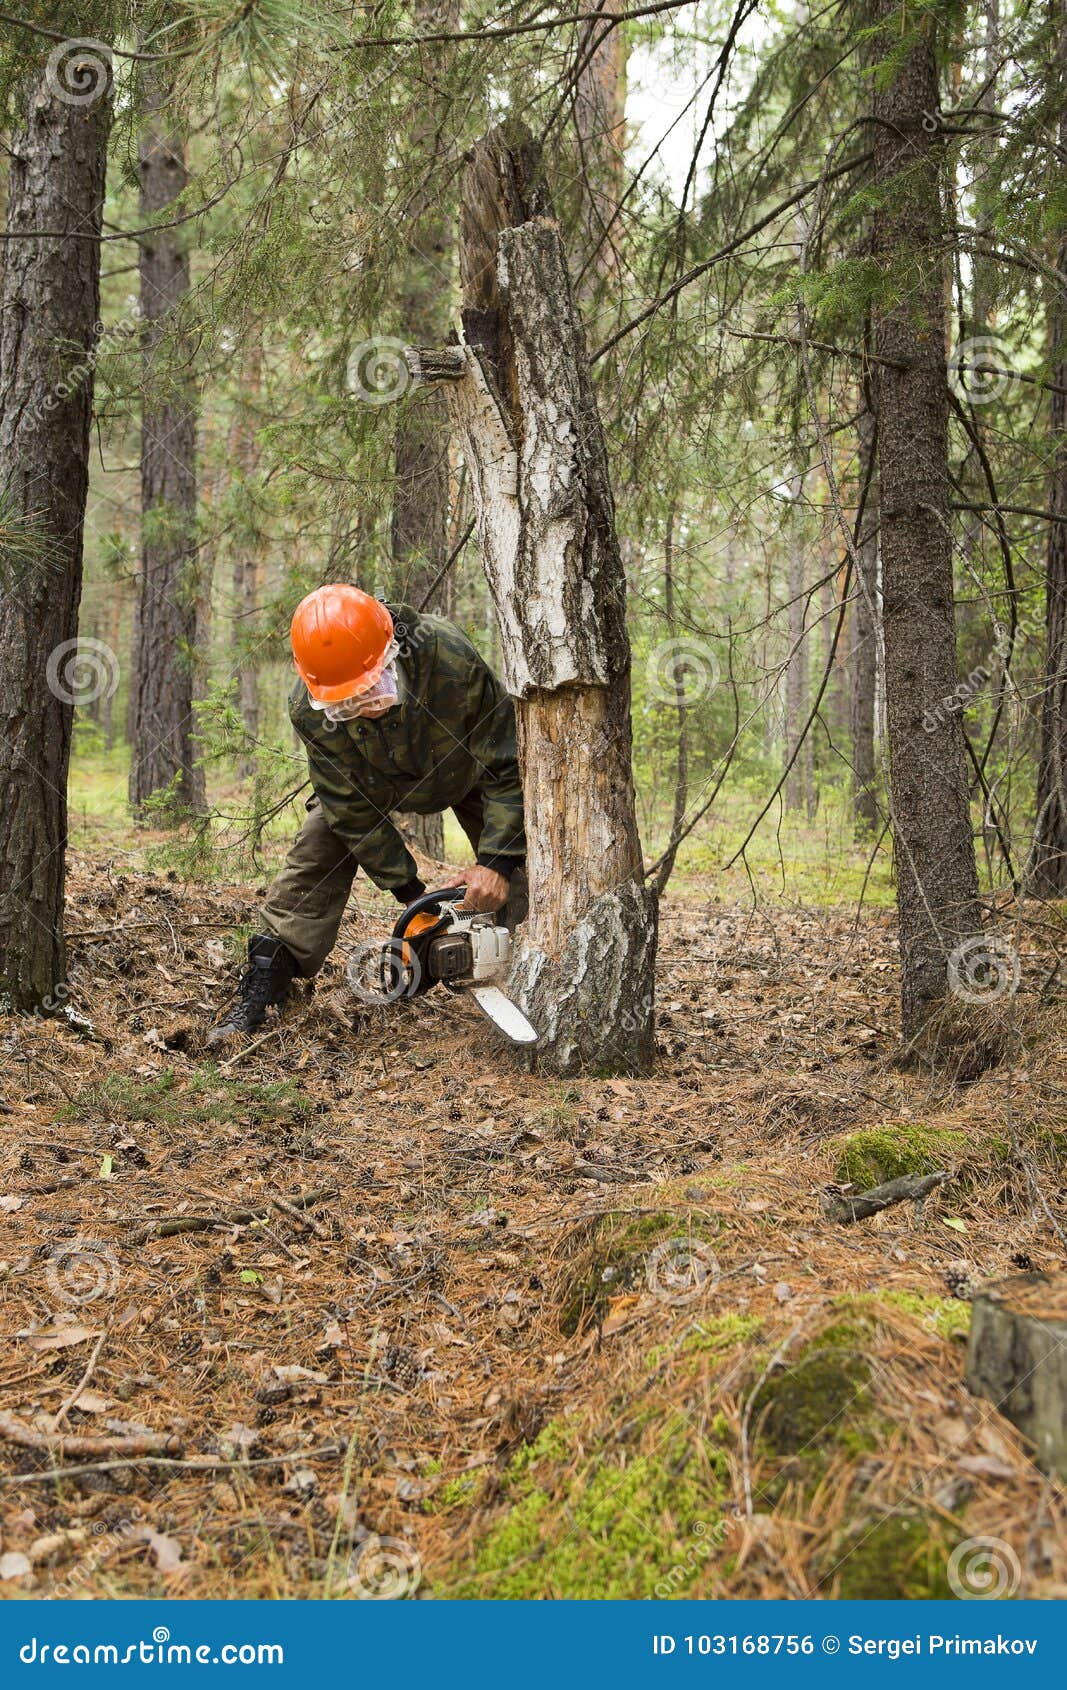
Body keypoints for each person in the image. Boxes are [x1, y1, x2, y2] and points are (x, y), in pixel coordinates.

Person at [207, 584, 526, 1047]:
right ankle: (269, 978)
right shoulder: (309, 707)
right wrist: (413, 897)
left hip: (469, 772)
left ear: (392, 650)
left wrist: (497, 861)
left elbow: (507, 762)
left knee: (520, 867)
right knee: (320, 839)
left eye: (373, 690)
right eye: (347, 703)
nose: (365, 709)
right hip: (378, 781)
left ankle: (528, 971)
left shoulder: (449, 658)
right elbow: (349, 805)